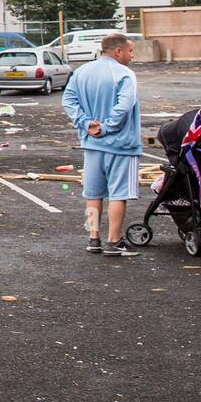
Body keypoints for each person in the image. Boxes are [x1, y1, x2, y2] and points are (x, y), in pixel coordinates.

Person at [62, 33, 142, 256]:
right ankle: (114, 241)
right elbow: (124, 106)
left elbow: (68, 100)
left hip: (91, 144)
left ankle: (93, 238)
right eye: (130, 51)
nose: (131, 55)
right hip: (120, 145)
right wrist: (105, 127)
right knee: (118, 194)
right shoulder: (124, 74)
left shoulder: (81, 72)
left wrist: (86, 123)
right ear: (118, 51)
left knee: (93, 193)